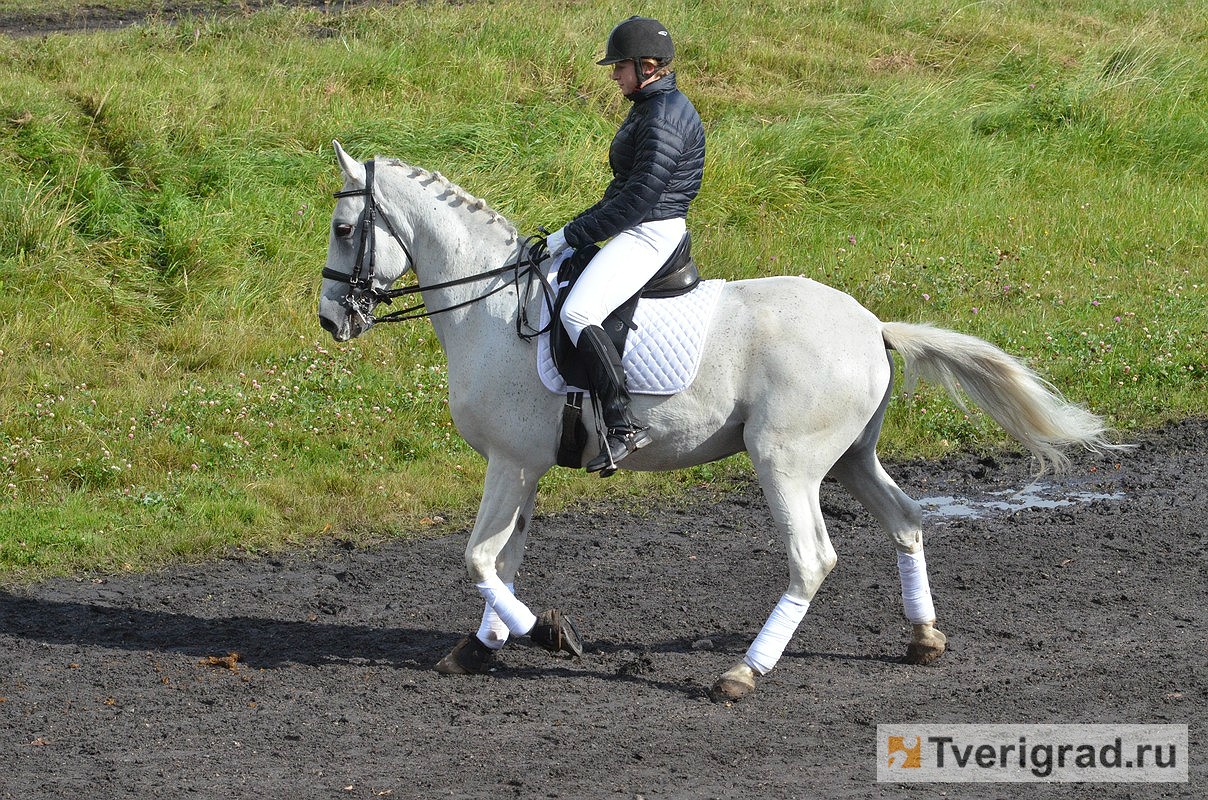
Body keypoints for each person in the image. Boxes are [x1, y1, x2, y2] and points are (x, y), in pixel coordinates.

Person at [544, 16, 706, 475]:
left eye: (620, 66)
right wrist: (573, 229)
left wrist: (570, 234)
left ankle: (621, 423)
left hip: (651, 232)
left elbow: (637, 201)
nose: (614, 74)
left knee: (577, 312)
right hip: (642, 225)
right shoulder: (650, 106)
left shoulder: (663, 119)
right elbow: (623, 188)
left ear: (647, 65)